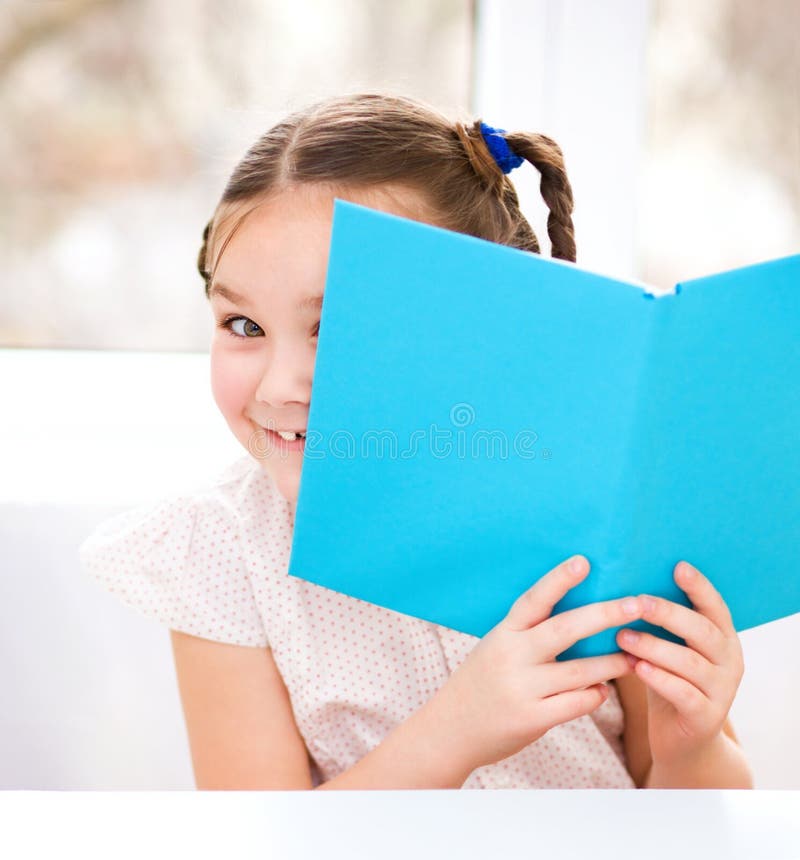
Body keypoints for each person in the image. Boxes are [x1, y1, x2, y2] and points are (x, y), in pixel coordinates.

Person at [79, 92, 753, 790]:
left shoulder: (595, 517)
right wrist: (457, 730)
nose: (279, 386)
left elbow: (704, 809)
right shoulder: (219, 553)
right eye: (242, 325)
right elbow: (258, 840)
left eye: (336, 326)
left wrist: (691, 751)